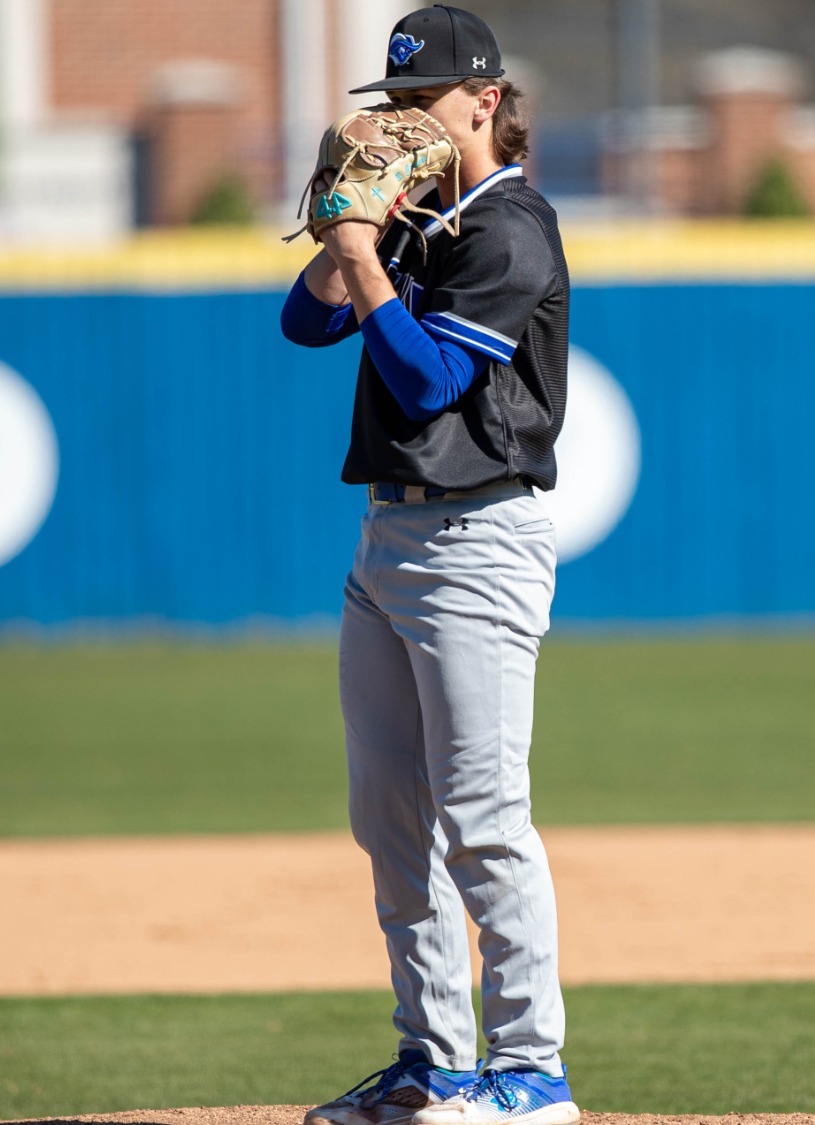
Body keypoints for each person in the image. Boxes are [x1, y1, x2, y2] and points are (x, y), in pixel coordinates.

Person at [277, 7, 576, 1125]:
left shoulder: (508, 230)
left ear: (486, 102)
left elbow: (428, 385)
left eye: (427, 102)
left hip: (477, 544)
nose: (403, 123)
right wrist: (339, 238)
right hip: (387, 540)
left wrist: (360, 251)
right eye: (394, 102)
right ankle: (434, 1061)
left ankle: (530, 1072)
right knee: (388, 817)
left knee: (483, 817)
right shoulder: (419, 214)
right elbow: (302, 331)